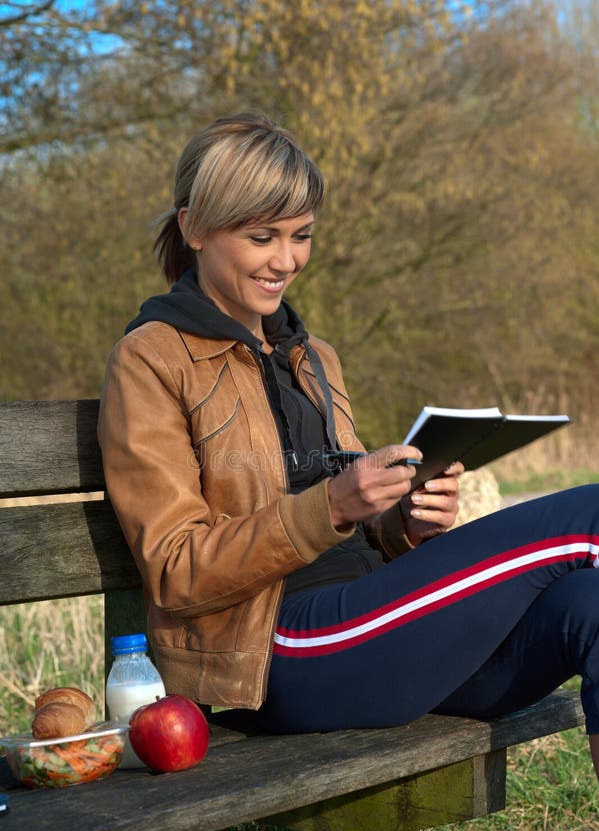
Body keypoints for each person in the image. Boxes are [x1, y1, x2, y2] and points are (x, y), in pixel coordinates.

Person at [98, 112, 599, 779]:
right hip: (276, 651)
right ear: (193, 228)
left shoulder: (314, 359)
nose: (286, 259)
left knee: (589, 605)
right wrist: (330, 506)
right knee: (586, 518)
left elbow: (364, 531)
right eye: (260, 236)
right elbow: (174, 568)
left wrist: (404, 520)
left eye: (300, 235)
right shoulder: (151, 360)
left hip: (371, 630)